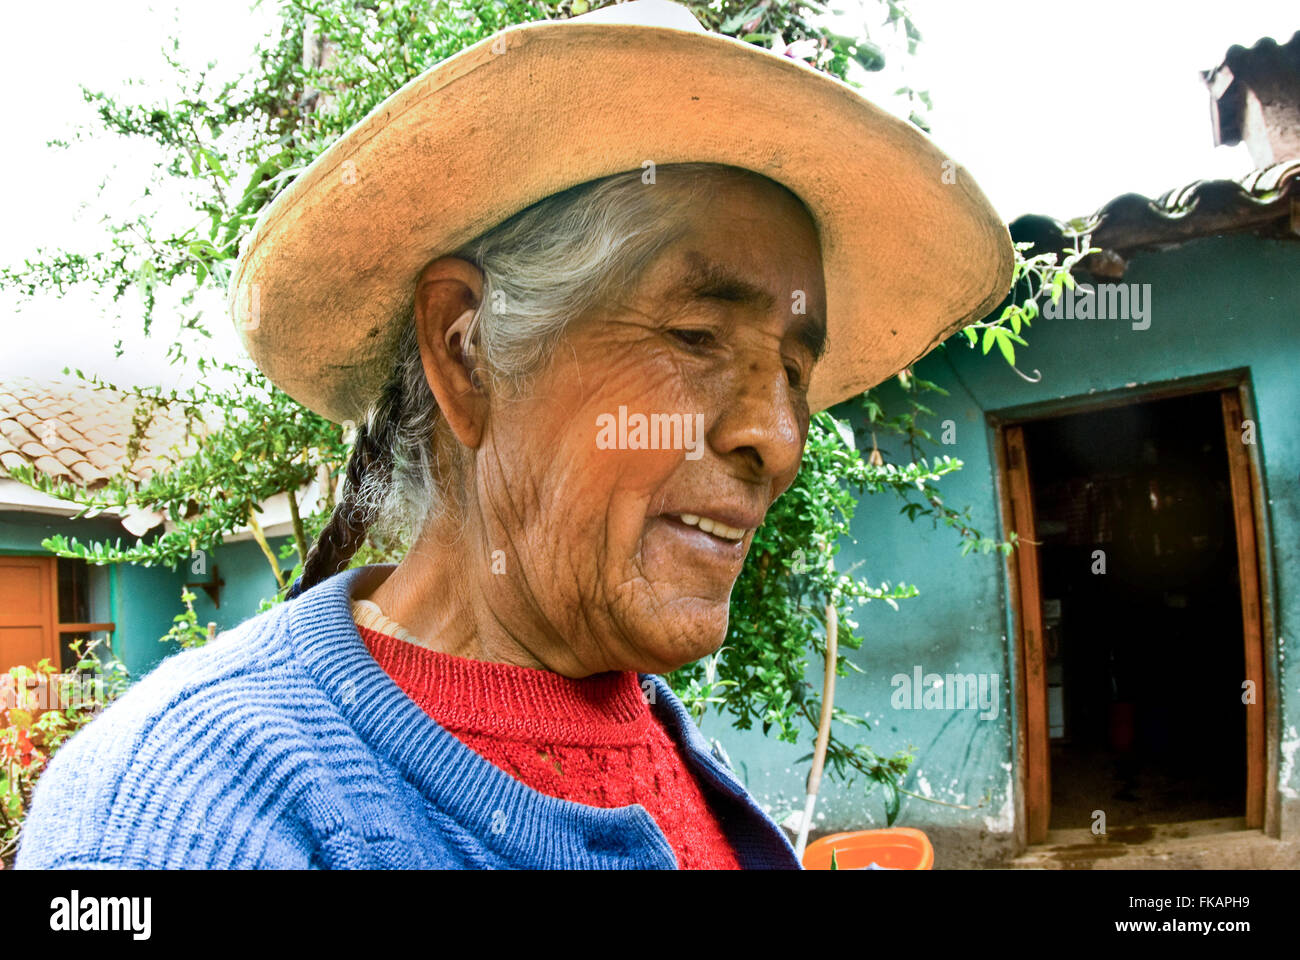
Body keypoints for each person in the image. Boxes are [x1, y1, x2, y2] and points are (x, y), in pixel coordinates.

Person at [16, 0, 1010, 869]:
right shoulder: (180, 812)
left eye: (792, 370)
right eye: (696, 335)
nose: (776, 439)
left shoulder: (656, 742)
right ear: (466, 353)